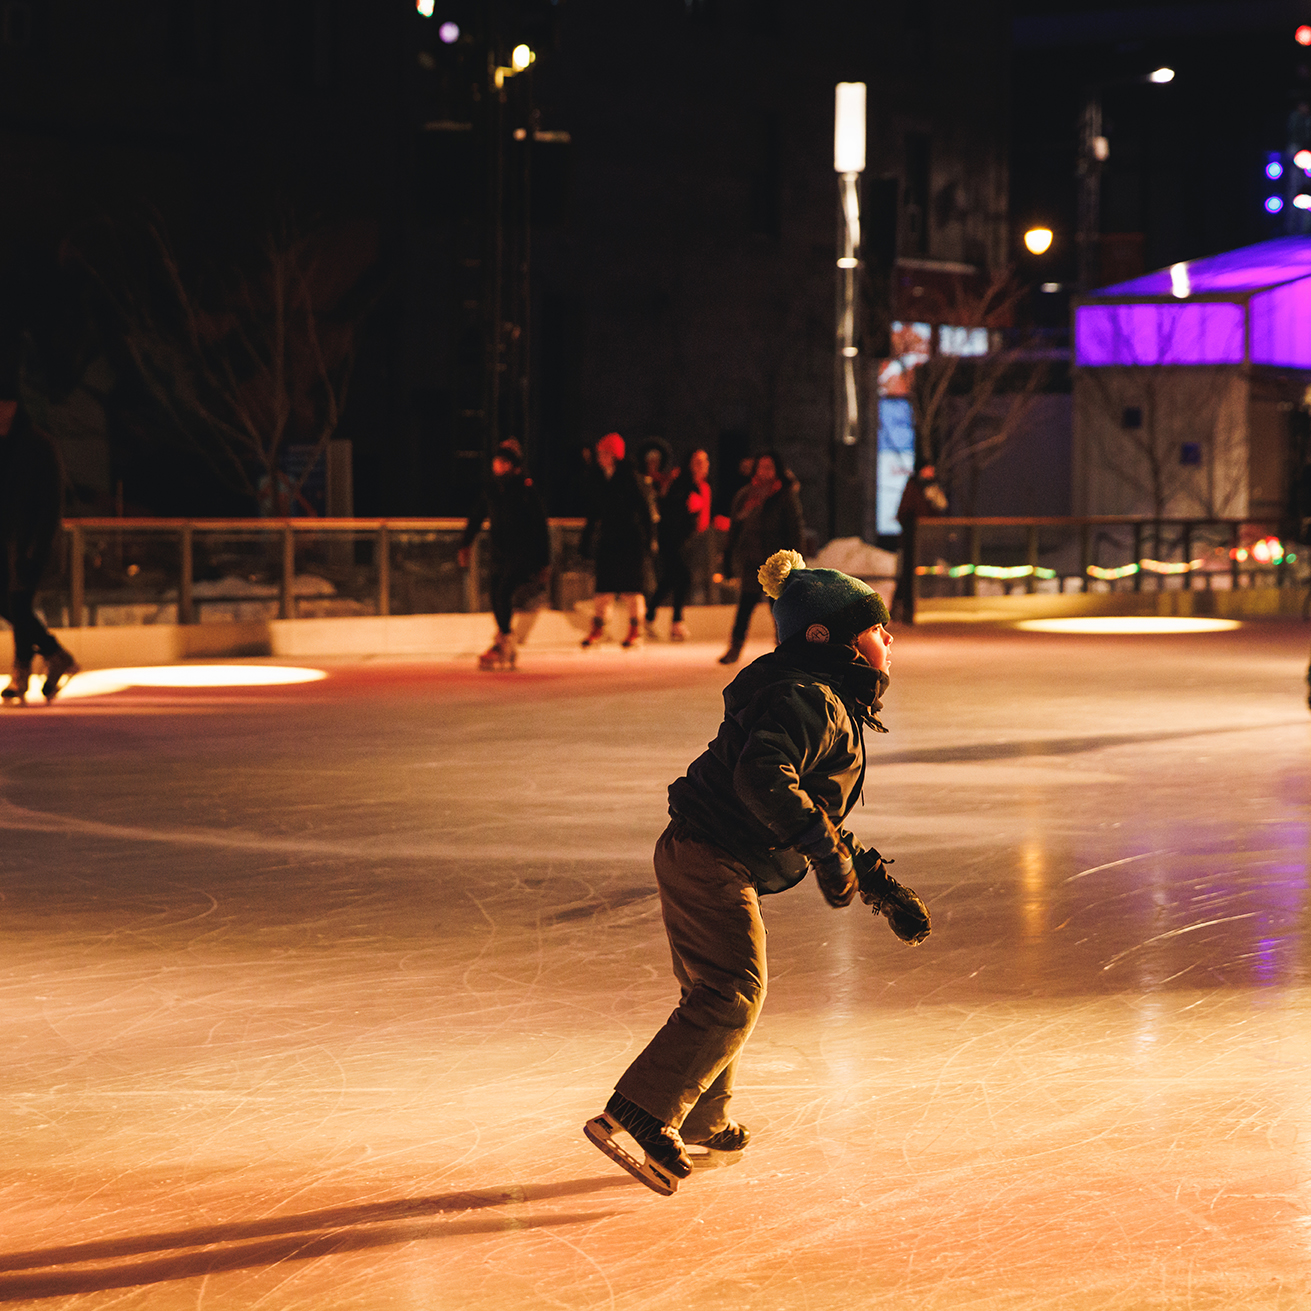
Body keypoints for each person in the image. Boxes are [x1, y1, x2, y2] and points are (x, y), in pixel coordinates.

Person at [583, 548, 930, 1195]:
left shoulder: (817, 697)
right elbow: (762, 778)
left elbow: (817, 812)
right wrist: (825, 855)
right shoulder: (808, 697)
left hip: (701, 850)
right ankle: (643, 1108)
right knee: (732, 989)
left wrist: (877, 885)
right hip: (711, 856)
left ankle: (704, 1115)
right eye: (874, 626)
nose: (889, 636)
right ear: (825, 637)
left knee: (719, 989)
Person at [1, 401, 78, 705]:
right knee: (9, 603)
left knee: (19, 604)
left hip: (27, 541)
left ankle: (22, 674)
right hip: (5, 539)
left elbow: (50, 502)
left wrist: (37, 547)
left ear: (14, 406)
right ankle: (55, 654)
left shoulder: (37, 444)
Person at [457, 440, 551, 671]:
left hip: (522, 553)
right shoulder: (492, 489)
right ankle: (504, 641)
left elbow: (540, 526)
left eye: (502, 461)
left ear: (511, 465)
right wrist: (465, 544)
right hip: (499, 552)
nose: (496, 465)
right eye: (496, 461)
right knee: (496, 596)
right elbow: (477, 516)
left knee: (503, 593)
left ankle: (505, 641)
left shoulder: (525, 489)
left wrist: (544, 561)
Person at [718, 450, 804, 665]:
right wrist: (728, 559)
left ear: (777, 470)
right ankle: (735, 647)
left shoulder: (784, 496)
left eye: (769, 467)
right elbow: (735, 530)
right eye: (761, 467)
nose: (764, 472)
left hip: (777, 564)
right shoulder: (746, 495)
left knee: (779, 609)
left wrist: (795, 562)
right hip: (751, 562)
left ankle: (786, 648)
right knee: (745, 607)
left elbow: (795, 530)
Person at [581, 432, 655, 649]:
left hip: (631, 541)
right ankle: (599, 626)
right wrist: (587, 539)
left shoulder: (631, 477)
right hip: (608, 540)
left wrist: (650, 540)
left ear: (615, 455)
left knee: (631, 589)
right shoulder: (597, 478)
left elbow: (645, 510)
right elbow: (594, 512)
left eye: (604, 453)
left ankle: (635, 629)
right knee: (603, 588)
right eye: (599, 453)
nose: (600, 457)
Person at [647, 448, 712, 641]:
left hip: (685, 541)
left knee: (671, 579)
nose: (703, 465)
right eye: (698, 462)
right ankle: (675, 621)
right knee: (682, 577)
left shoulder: (699, 486)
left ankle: (652, 616)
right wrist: (688, 509)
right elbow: (671, 512)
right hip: (672, 540)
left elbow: (699, 521)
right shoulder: (682, 484)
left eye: (705, 461)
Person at [893, 462, 947, 624]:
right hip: (912, 539)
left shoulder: (933, 488)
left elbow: (939, 510)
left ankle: (914, 609)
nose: (931, 472)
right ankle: (904, 611)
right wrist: (913, 526)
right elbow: (904, 512)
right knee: (908, 574)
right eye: (928, 469)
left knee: (922, 575)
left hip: (926, 540)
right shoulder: (913, 487)